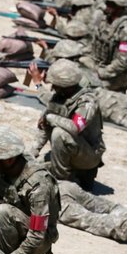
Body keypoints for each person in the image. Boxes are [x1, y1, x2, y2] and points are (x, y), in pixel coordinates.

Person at [0, 126, 61, 254]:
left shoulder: (37, 182)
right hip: (14, 229)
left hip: (40, 239)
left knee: (2, 212)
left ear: (9, 160)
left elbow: (37, 234)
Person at [32, 58, 105, 189]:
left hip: (88, 156)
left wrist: (50, 118)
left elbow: (75, 127)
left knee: (59, 133)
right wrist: (32, 153)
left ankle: (62, 182)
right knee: (31, 169)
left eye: (55, 85)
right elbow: (44, 126)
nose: (52, 87)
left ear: (65, 86)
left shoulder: (87, 102)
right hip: (69, 153)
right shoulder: (60, 97)